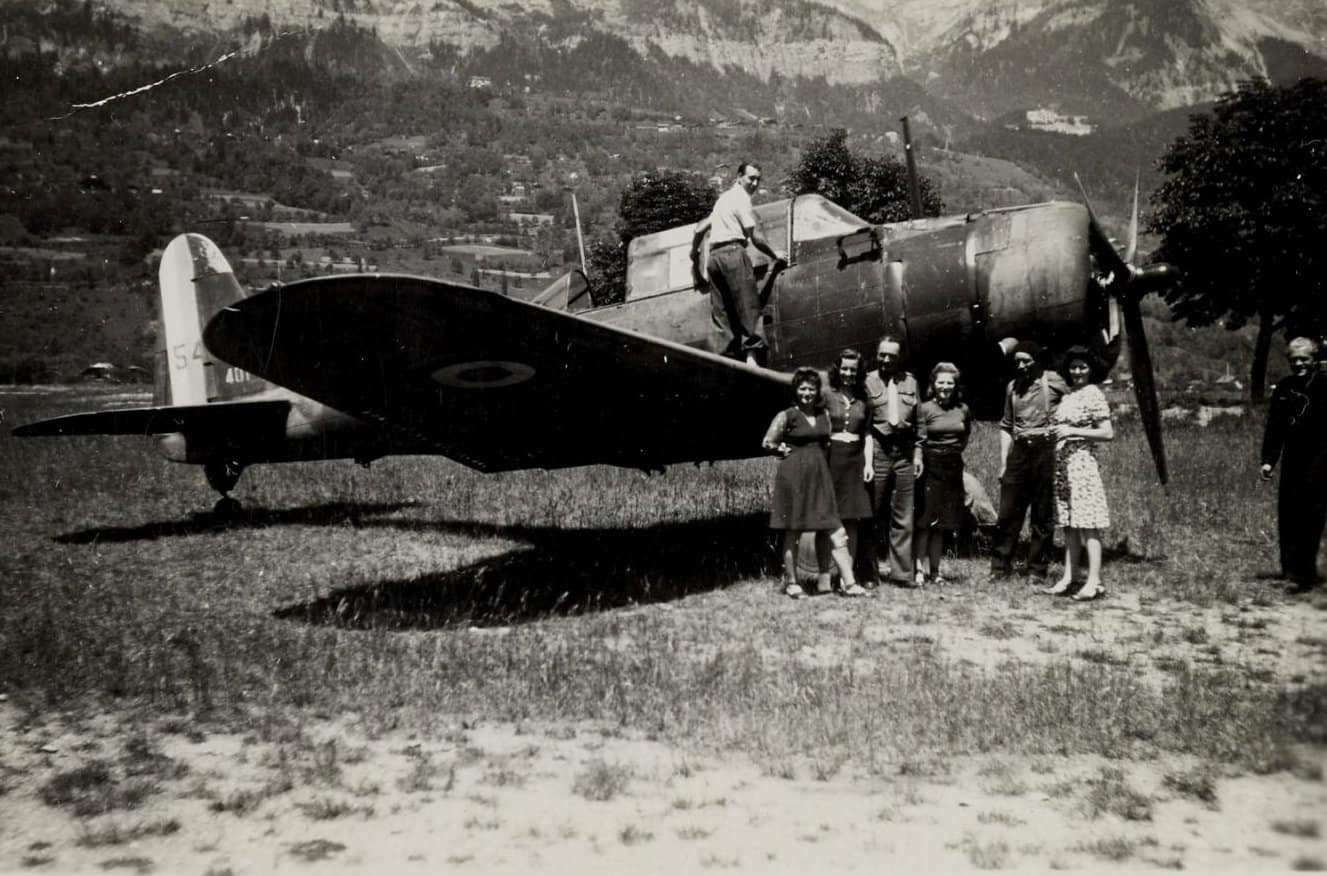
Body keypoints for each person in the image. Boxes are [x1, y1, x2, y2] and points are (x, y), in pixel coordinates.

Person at [763, 368, 866, 598]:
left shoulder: (823, 415)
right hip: (794, 476)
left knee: (835, 528)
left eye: (811, 389)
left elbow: (828, 442)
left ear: (817, 391)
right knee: (794, 530)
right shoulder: (787, 415)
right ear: (796, 391)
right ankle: (792, 583)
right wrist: (781, 449)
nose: (807, 393)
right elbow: (768, 441)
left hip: (820, 476)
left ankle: (849, 583)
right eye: (802, 389)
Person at [691, 163, 787, 365]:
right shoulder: (742, 199)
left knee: (722, 314)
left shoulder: (723, 199)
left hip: (714, 259)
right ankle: (752, 359)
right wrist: (774, 255)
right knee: (748, 305)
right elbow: (755, 237)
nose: (755, 183)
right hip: (733, 254)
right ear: (739, 177)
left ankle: (726, 362)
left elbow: (699, 230)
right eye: (751, 178)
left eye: (758, 179)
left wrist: (694, 255)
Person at [989, 340, 1068, 582]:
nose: (1021, 366)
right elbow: (1006, 426)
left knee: (1042, 515)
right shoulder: (1012, 388)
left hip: (1046, 451)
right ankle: (999, 568)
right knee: (1008, 513)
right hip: (1020, 451)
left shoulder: (1054, 382)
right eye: (1017, 362)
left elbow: (1073, 408)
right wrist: (1004, 462)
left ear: (1038, 361)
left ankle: (1037, 570)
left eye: (1026, 361)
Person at [1044, 346, 1114, 601]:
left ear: (1090, 369)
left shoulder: (1094, 394)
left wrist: (1073, 432)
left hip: (1083, 465)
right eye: (1073, 367)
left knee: (1088, 524)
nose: (1077, 372)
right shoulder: (1069, 395)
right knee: (1069, 524)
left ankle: (1093, 581)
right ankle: (1069, 576)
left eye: (1082, 367)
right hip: (1064, 466)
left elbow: (1107, 432)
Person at [1260, 337, 1327, 592]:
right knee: (1289, 512)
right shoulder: (1285, 387)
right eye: (1294, 360)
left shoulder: (1324, 385)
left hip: (1320, 459)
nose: (1298, 364)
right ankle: (1289, 569)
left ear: (1314, 359)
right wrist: (1268, 461)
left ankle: (1306, 571)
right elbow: (1275, 427)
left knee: (1312, 514)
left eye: (1304, 359)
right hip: (1293, 458)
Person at [864, 335, 922, 587]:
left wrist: (918, 455)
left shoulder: (910, 382)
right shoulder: (867, 382)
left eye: (892, 356)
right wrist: (867, 461)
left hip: (905, 454)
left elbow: (919, 423)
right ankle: (867, 573)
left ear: (900, 358)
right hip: (879, 451)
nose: (886, 360)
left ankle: (902, 574)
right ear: (877, 355)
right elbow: (864, 425)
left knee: (903, 516)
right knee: (872, 513)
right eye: (882, 355)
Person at [914, 362, 972, 586]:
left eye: (950, 383)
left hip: (953, 466)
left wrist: (952, 452)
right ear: (934, 384)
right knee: (926, 521)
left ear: (955, 385)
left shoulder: (963, 409)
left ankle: (935, 571)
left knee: (942, 523)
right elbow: (919, 438)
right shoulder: (925, 408)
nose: (945, 387)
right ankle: (919, 570)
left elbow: (964, 436)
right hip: (931, 466)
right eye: (941, 382)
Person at [823, 349, 876, 585]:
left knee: (853, 519)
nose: (848, 374)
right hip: (832, 459)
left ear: (859, 372)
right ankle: (831, 573)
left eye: (853, 370)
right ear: (838, 370)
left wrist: (869, 464)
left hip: (855, 461)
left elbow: (867, 435)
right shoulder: (827, 396)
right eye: (844, 369)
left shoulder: (864, 399)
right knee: (834, 519)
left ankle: (848, 577)